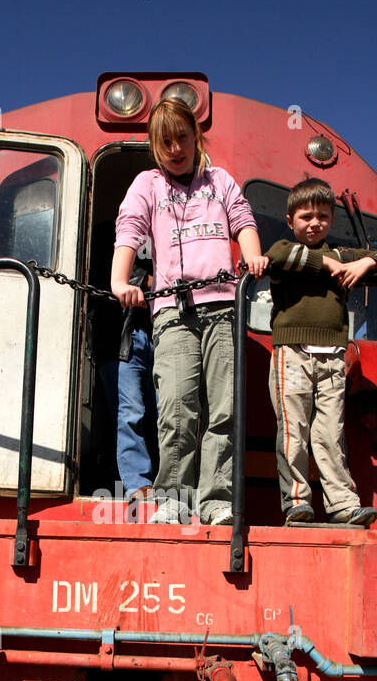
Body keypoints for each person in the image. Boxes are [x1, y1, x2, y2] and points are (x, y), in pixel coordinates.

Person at [111, 99, 268, 525]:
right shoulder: (148, 184)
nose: (176, 148)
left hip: (222, 308)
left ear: (196, 137)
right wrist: (119, 281)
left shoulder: (220, 181)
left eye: (182, 137)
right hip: (172, 313)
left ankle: (217, 499)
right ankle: (174, 499)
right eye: (165, 142)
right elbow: (130, 228)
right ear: (154, 147)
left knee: (224, 407)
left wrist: (251, 257)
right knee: (177, 405)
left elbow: (242, 220)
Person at [266, 177, 377, 527]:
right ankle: (296, 502)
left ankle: (342, 503)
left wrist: (365, 264)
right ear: (290, 220)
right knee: (293, 429)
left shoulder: (345, 256)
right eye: (306, 217)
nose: (314, 223)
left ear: (332, 220)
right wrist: (327, 265)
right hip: (291, 354)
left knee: (330, 433)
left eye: (323, 217)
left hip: (332, 356)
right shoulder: (288, 253)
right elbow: (278, 255)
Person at [87, 222, 158, 509]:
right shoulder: (106, 237)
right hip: (118, 338)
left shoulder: (164, 233)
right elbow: (104, 272)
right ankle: (138, 483)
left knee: (160, 414)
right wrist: (148, 281)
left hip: (156, 335)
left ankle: (160, 481)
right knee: (130, 412)